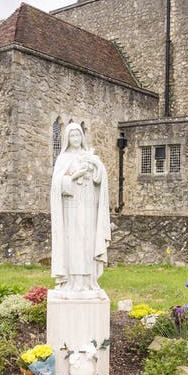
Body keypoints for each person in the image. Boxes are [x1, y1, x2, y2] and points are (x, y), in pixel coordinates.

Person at [50, 122, 111, 294]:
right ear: (67, 138)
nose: (76, 139)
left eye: (78, 135)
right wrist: (76, 175)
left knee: (88, 240)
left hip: (89, 204)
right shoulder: (63, 158)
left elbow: (99, 180)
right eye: (72, 135)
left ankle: (89, 281)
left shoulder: (89, 155)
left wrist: (97, 166)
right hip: (71, 207)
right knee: (73, 241)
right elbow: (57, 185)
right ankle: (71, 281)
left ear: (82, 137)